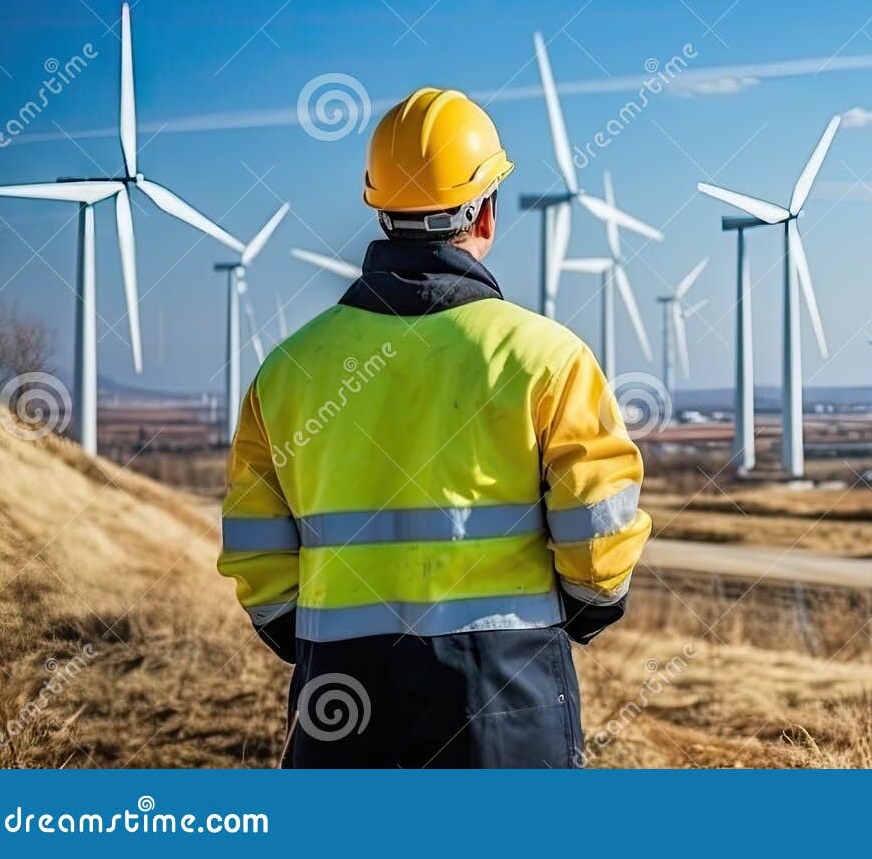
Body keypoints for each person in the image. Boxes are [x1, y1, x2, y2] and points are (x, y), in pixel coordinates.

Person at [217, 87, 650, 767]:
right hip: (504, 695)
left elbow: (255, 548)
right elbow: (599, 540)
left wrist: (315, 639)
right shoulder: (547, 359)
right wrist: (579, 614)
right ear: (486, 211)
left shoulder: (287, 370)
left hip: (342, 696)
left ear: (381, 209)